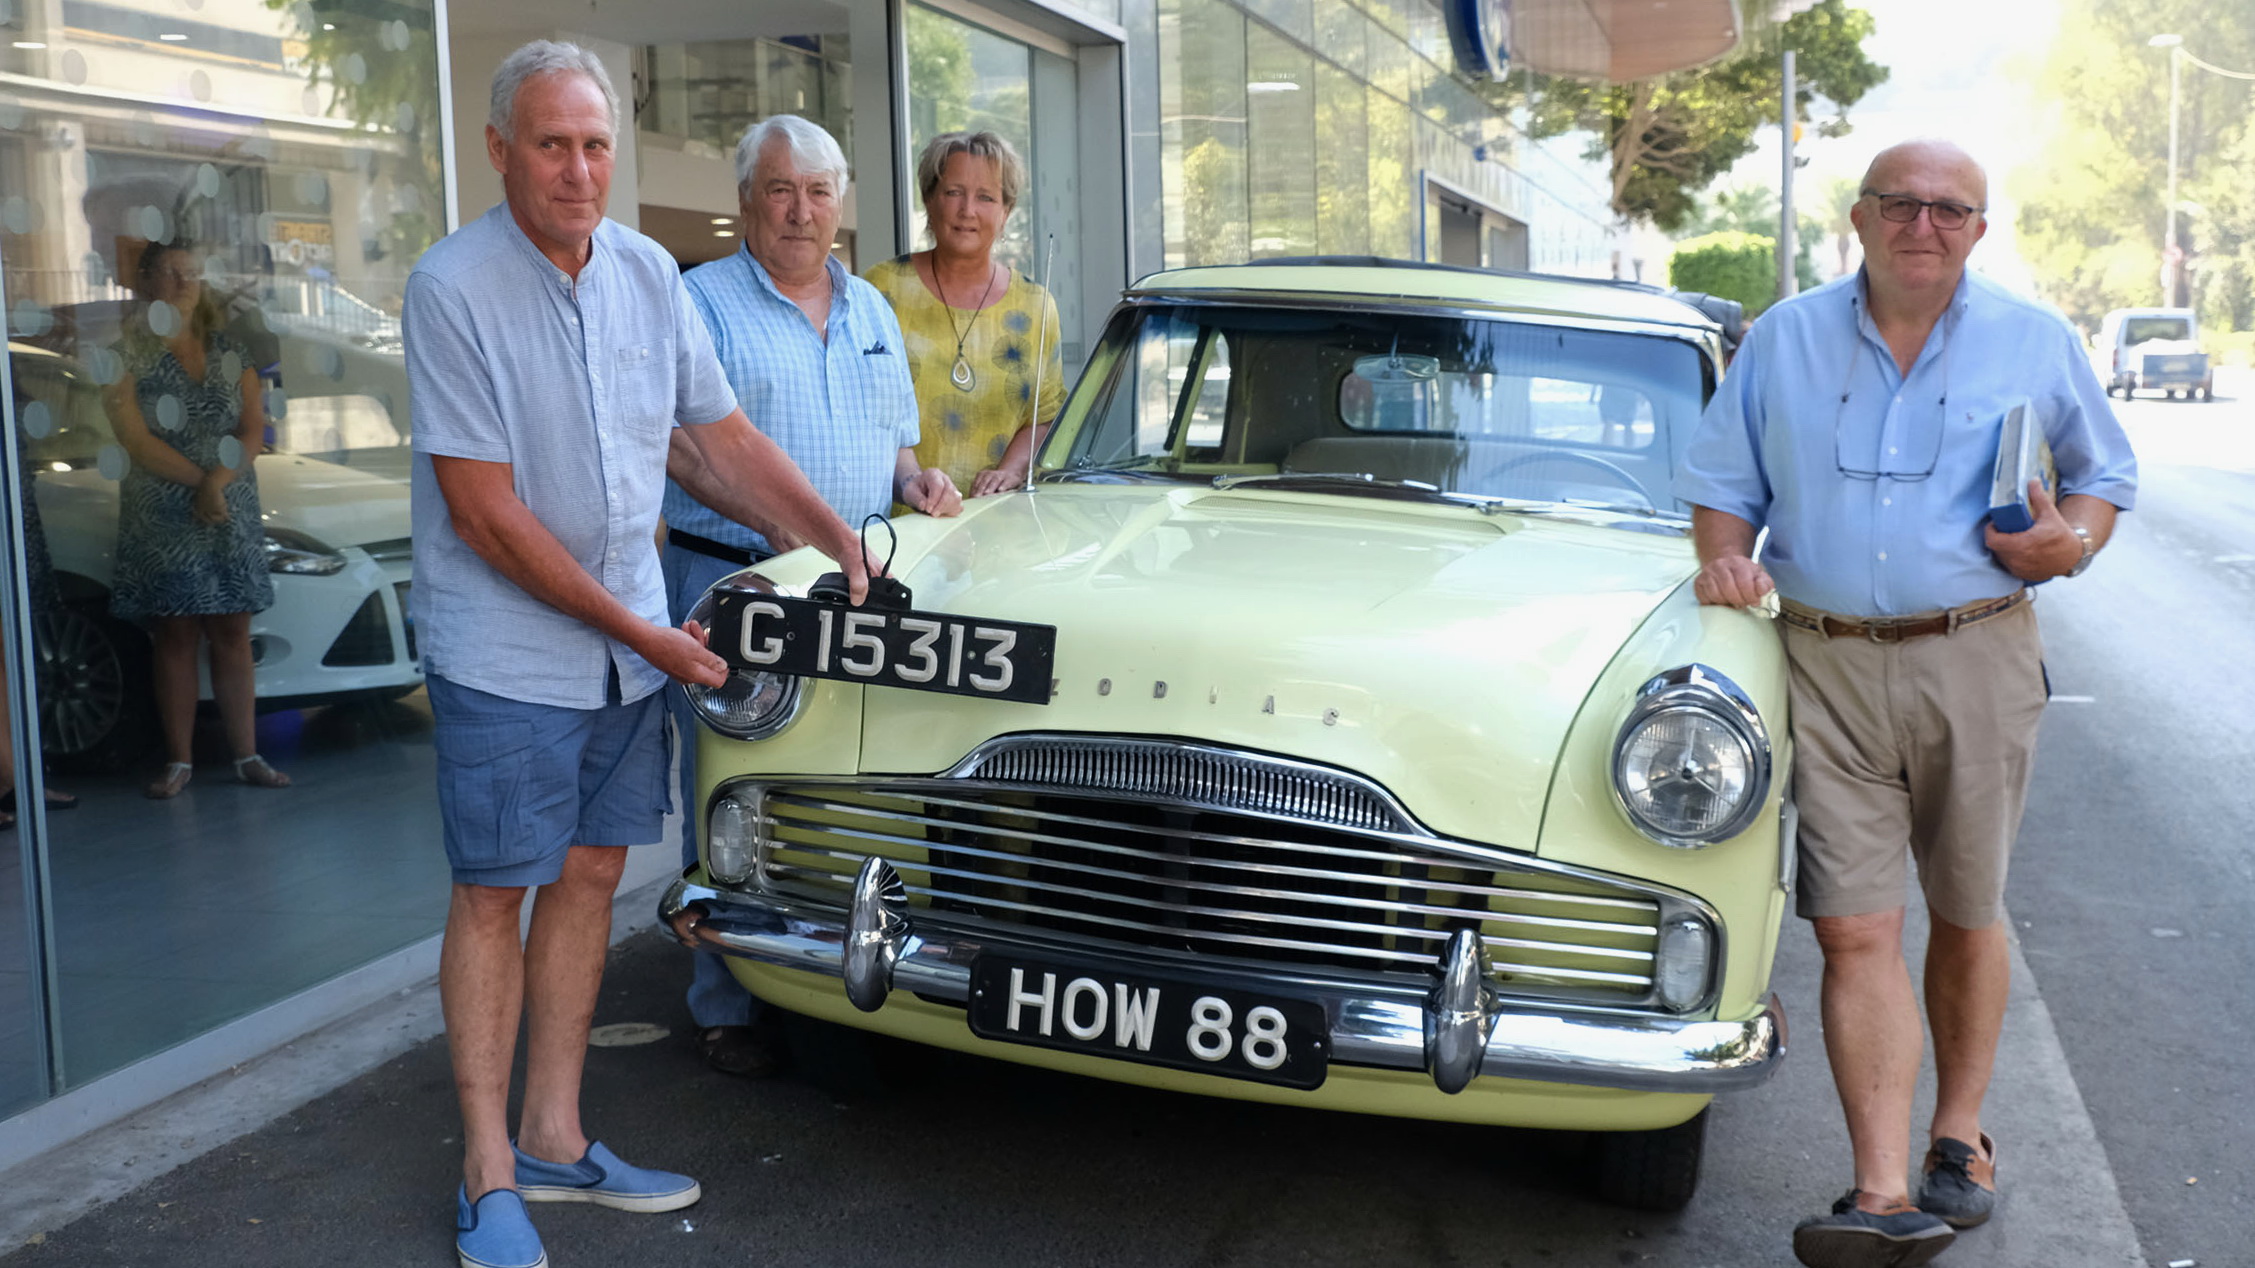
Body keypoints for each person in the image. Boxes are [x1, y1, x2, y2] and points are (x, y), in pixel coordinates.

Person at [406, 44, 869, 1268]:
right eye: (550, 143)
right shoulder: (451, 287)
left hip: (624, 646)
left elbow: (716, 436)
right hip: (511, 650)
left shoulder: (650, 272)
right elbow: (484, 512)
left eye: (595, 143)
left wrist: (831, 537)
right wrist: (641, 629)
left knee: (594, 876)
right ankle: (485, 1168)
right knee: (495, 890)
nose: (577, 168)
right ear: (500, 147)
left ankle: (555, 1137)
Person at [1678, 139, 2137, 1268]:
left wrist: (2066, 542)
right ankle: (1880, 1192)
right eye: (1899, 204)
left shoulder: (2032, 340)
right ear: (1858, 216)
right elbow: (1720, 489)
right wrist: (1726, 562)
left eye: (1948, 209)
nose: (1920, 225)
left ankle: (1956, 1136)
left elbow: (2102, 478)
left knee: (1966, 907)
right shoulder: (1782, 338)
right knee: (1851, 921)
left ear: (1977, 228)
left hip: (1973, 654)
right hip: (1821, 658)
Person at [662, 113, 960, 1079]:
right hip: (734, 581)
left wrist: (920, 484)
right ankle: (726, 1006)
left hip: (857, 590)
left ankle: (836, 973)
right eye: (779, 190)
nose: (800, 211)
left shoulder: (870, 308)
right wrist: (775, 528)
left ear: (842, 204)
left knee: (845, 780)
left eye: (818, 192)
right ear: (745, 202)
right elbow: (674, 443)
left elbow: (899, 445)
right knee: (727, 790)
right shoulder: (696, 301)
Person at [103, 240, 289, 799]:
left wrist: (219, 482)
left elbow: (253, 430)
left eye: (193, 273)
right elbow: (134, 439)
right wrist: (200, 482)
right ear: (148, 284)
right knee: (176, 632)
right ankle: (179, 761)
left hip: (227, 501)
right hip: (164, 509)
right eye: (172, 273)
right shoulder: (124, 352)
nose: (185, 283)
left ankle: (247, 755)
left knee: (233, 629)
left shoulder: (232, 349)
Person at [863, 130, 1064, 497]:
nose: (967, 210)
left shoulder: (1037, 305)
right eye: (953, 192)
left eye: (986, 197)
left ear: (1006, 211)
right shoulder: (879, 289)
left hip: (996, 522)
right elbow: (857, 406)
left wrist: (1009, 471)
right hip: (896, 526)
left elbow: (1045, 416)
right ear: (929, 198)